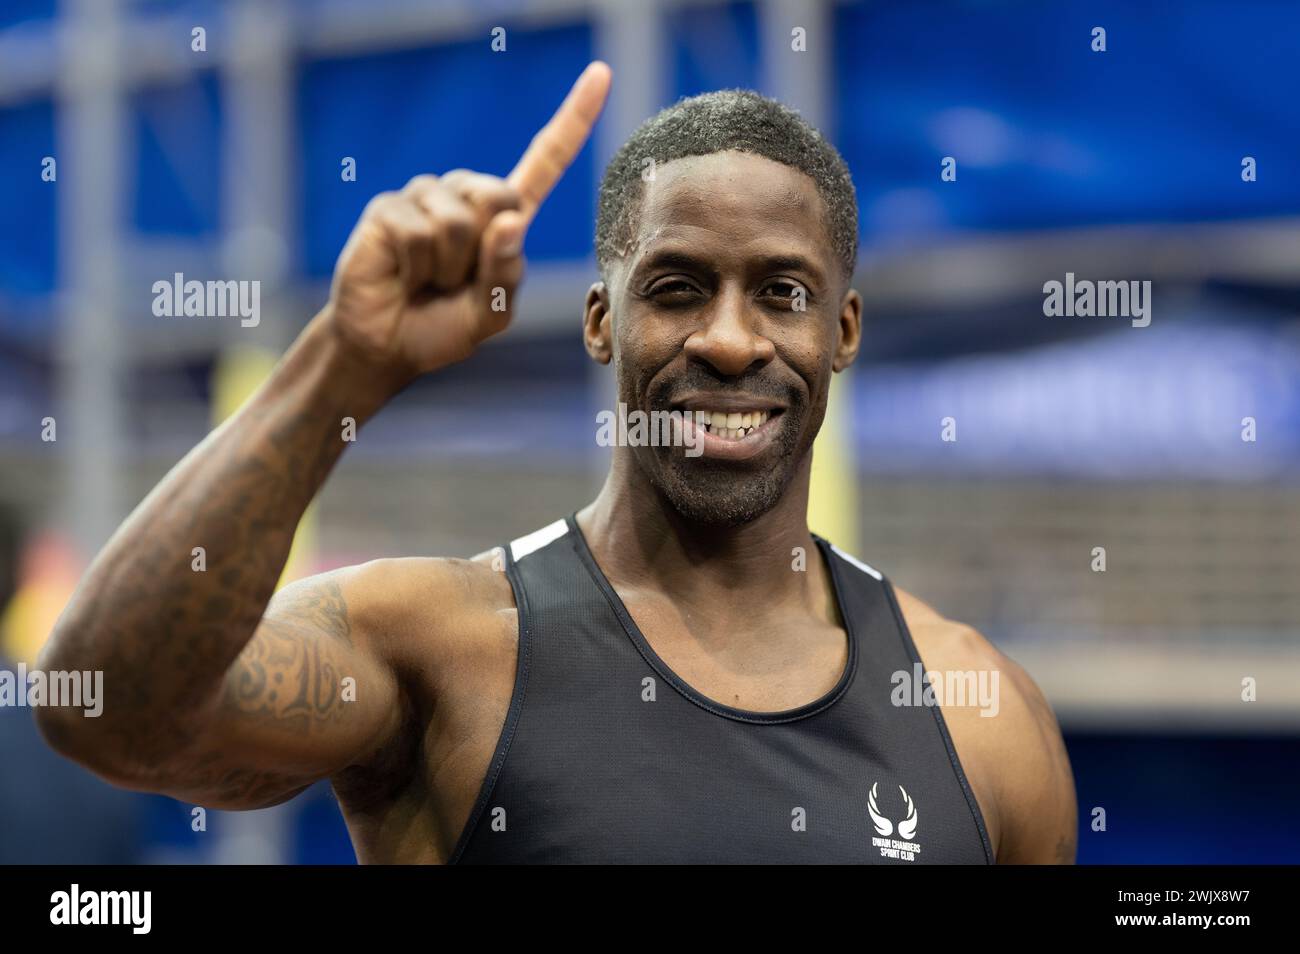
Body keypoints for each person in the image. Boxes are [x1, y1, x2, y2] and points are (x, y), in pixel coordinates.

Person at [37, 62, 1076, 863]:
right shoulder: (442, 649)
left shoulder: (976, 709)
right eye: (674, 288)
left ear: (842, 331)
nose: (727, 339)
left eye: (781, 293)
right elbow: (105, 708)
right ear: (600, 324)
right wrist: (342, 364)